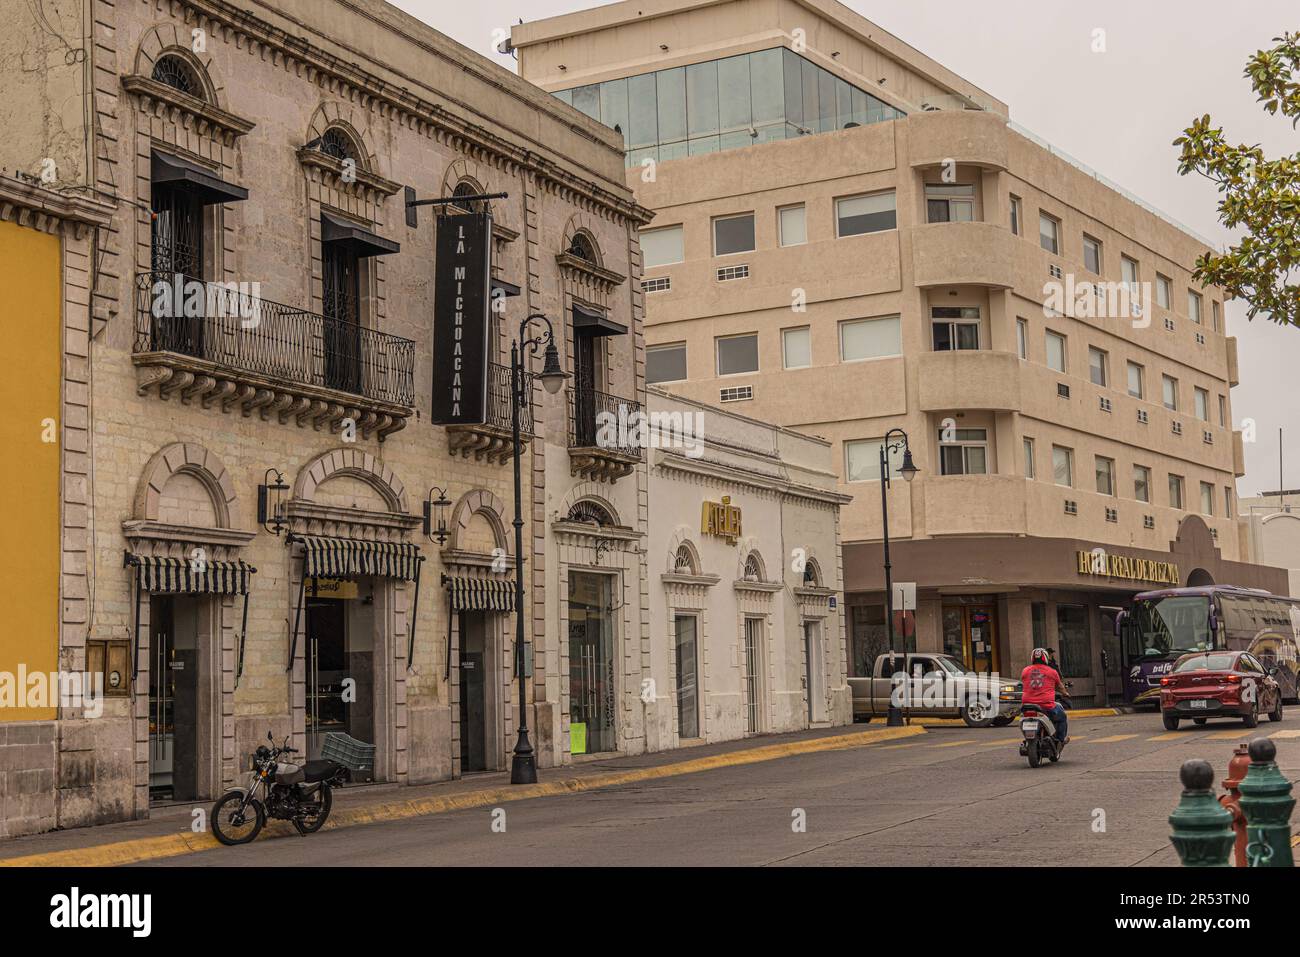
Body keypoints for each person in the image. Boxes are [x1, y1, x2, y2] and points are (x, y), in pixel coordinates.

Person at [1021, 647, 1069, 747]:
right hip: (1046, 706)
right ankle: (1060, 740)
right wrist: (1065, 693)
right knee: (1062, 717)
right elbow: (1060, 687)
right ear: (1046, 658)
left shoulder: (1025, 671)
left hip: (1027, 705)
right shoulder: (1052, 672)